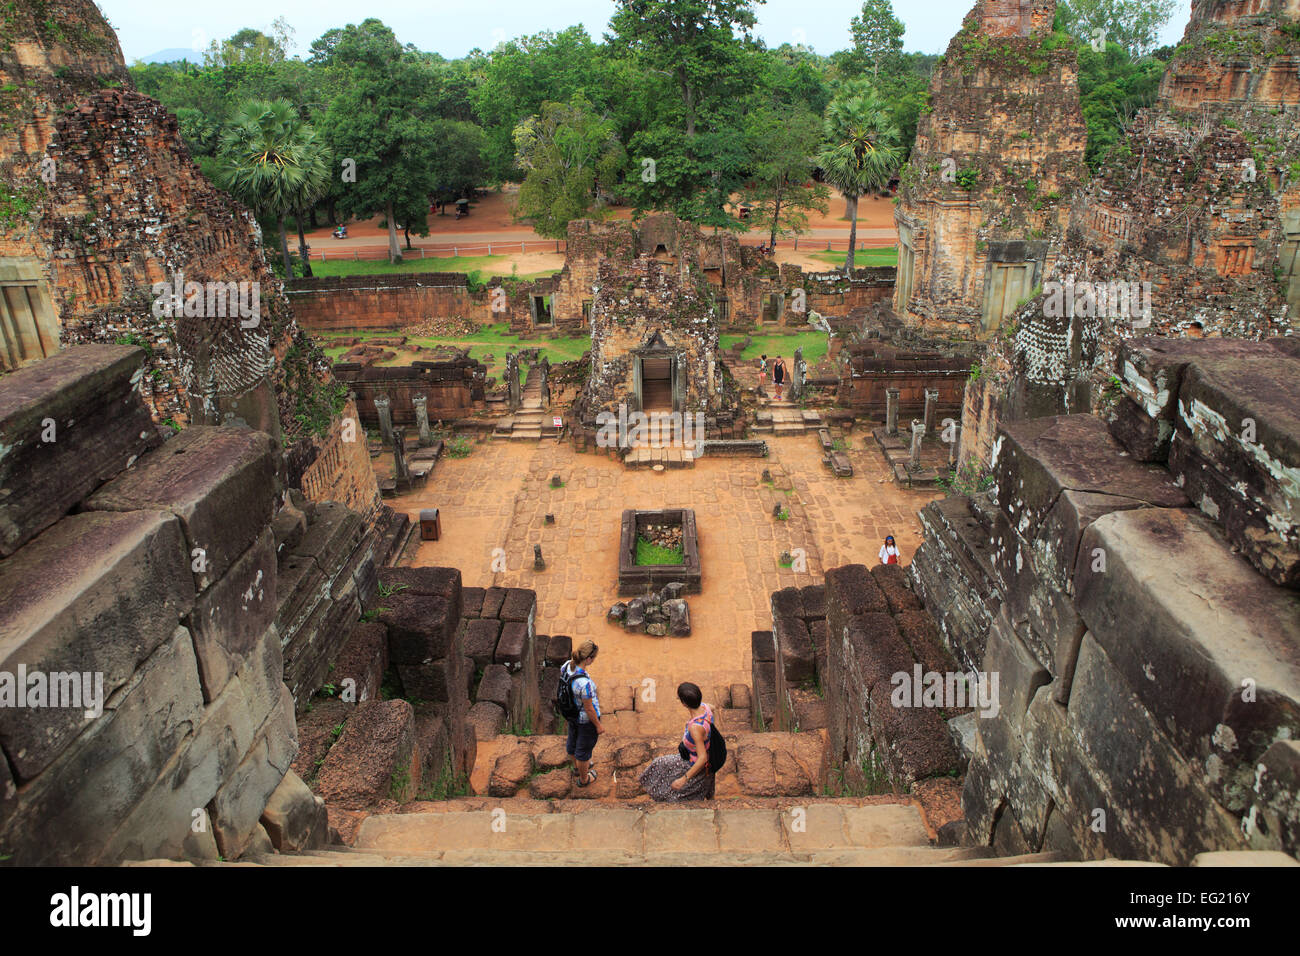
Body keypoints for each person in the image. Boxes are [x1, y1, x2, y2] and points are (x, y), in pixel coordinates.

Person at [638, 682, 719, 801]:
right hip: (700, 756)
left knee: (658, 764)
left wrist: (683, 779)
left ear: (684, 703)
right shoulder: (705, 708)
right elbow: (713, 707)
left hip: (693, 762)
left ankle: (662, 793)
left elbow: (702, 758)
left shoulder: (696, 728)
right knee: (660, 763)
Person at [561, 641, 603, 786]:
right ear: (588, 659)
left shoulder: (566, 666)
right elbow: (590, 709)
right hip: (585, 720)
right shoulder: (585, 684)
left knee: (572, 742)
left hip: (571, 713)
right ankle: (584, 779)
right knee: (583, 752)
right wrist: (598, 725)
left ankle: (577, 768)